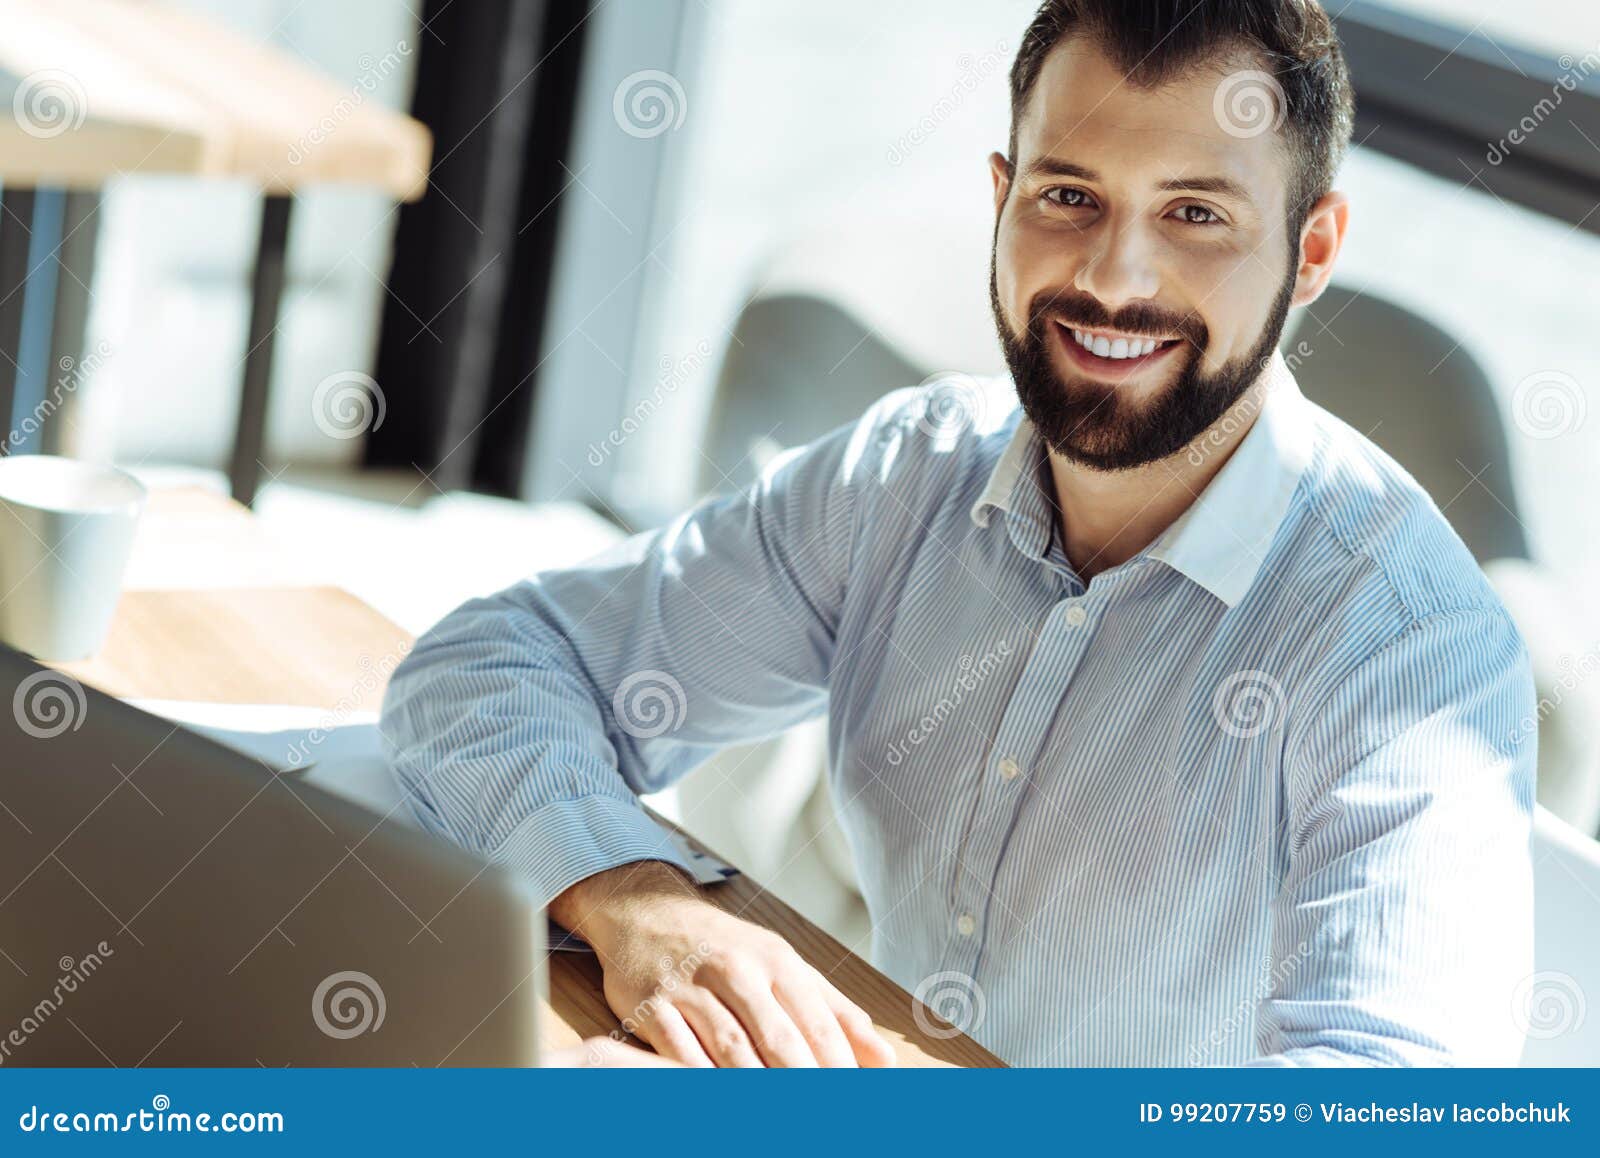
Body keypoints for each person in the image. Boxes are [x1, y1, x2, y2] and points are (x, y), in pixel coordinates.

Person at [381, 0, 1536, 1067]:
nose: (1113, 276)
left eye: (1195, 214)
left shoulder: (1408, 650)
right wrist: (637, 895)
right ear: (1002, 197)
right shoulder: (906, 472)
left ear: (1313, 249)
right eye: (1068, 195)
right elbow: (491, 667)